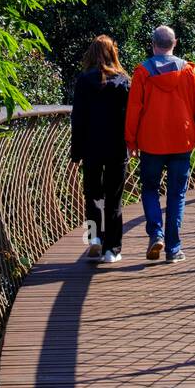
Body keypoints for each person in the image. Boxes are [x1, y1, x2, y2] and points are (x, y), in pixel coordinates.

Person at [125, 25, 195, 263]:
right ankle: (173, 249)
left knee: (150, 190)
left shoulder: (142, 72)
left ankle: (156, 233)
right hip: (181, 142)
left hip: (151, 143)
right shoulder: (188, 71)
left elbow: (134, 109)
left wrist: (131, 141)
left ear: (153, 44)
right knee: (177, 194)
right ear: (174, 44)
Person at [69, 35, 131, 265]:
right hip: (116, 148)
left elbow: (78, 118)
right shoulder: (124, 82)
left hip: (91, 148)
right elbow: (129, 118)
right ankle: (111, 250)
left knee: (93, 196)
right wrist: (132, 143)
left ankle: (94, 238)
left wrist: (76, 152)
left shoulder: (83, 81)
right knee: (113, 200)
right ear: (112, 53)